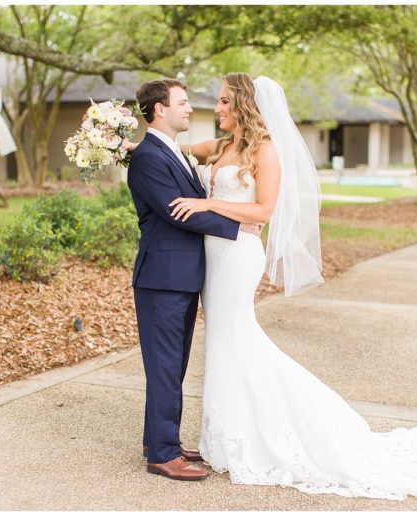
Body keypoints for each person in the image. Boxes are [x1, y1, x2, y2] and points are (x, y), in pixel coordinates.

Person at [165, 73, 417, 500]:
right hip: (212, 258)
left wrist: (208, 202)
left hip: (237, 258)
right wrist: (116, 138)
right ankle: (229, 434)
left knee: (237, 337)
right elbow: (168, 148)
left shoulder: (265, 150)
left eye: (223, 102)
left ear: (244, 106)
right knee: (222, 342)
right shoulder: (219, 147)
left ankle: (281, 430)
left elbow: (264, 209)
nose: (216, 109)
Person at [126, 79, 263, 482]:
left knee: (173, 364)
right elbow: (176, 211)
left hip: (182, 276)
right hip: (162, 278)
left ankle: (159, 440)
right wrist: (238, 229)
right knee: (165, 366)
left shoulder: (170, 150)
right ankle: (163, 455)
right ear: (159, 111)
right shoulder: (152, 156)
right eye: (182, 103)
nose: (190, 109)